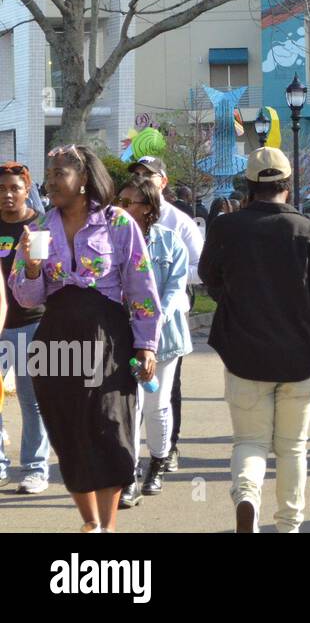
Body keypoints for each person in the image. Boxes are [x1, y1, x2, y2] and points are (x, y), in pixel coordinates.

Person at [198, 147, 310, 533]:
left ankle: (248, 495)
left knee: (249, 442)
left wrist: (233, 299)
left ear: (249, 187)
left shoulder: (225, 228)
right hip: (301, 357)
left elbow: (209, 276)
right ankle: (288, 524)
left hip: (245, 355)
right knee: (293, 448)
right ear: (288, 186)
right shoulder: (309, 232)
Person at [9, 146, 161, 533]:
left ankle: (106, 527)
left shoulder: (118, 223)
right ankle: (90, 522)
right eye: (50, 172)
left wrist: (146, 345)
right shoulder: (40, 227)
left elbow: (142, 287)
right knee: (68, 428)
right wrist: (30, 266)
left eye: (60, 173)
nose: (52, 181)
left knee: (110, 427)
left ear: (84, 180)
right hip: (56, 339)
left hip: (109, 339)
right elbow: (26, 298)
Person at [116, 175, 191, 503]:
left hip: (165, 337)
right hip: (124, 337)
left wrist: (152, 322)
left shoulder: (170, 241)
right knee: (128, 406)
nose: (122, 208)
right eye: (120, 202)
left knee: (156, 405)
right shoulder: (112, 239)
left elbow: (176, 288)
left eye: (129, 202)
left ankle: (157, 462)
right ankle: (128, 473)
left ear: (148, 208)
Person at [127, 156, 202, 473]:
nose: (143, 178)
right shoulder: (123, 221)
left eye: (149, 175)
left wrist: (167, 291)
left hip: (168, 318)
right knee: (132, 395)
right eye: (138, 174)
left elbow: (200, 269)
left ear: (163, 181)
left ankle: (167, 449)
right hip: (130, 322)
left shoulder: (178, 224)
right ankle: (129, 458)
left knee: (166, 390)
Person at [0, 161, 50, 495]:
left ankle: (34, 468)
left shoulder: (41, 225)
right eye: (2, 189)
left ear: (27, 188)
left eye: (14, 188)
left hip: (33, 325)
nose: (7, 195)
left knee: (33, 401)